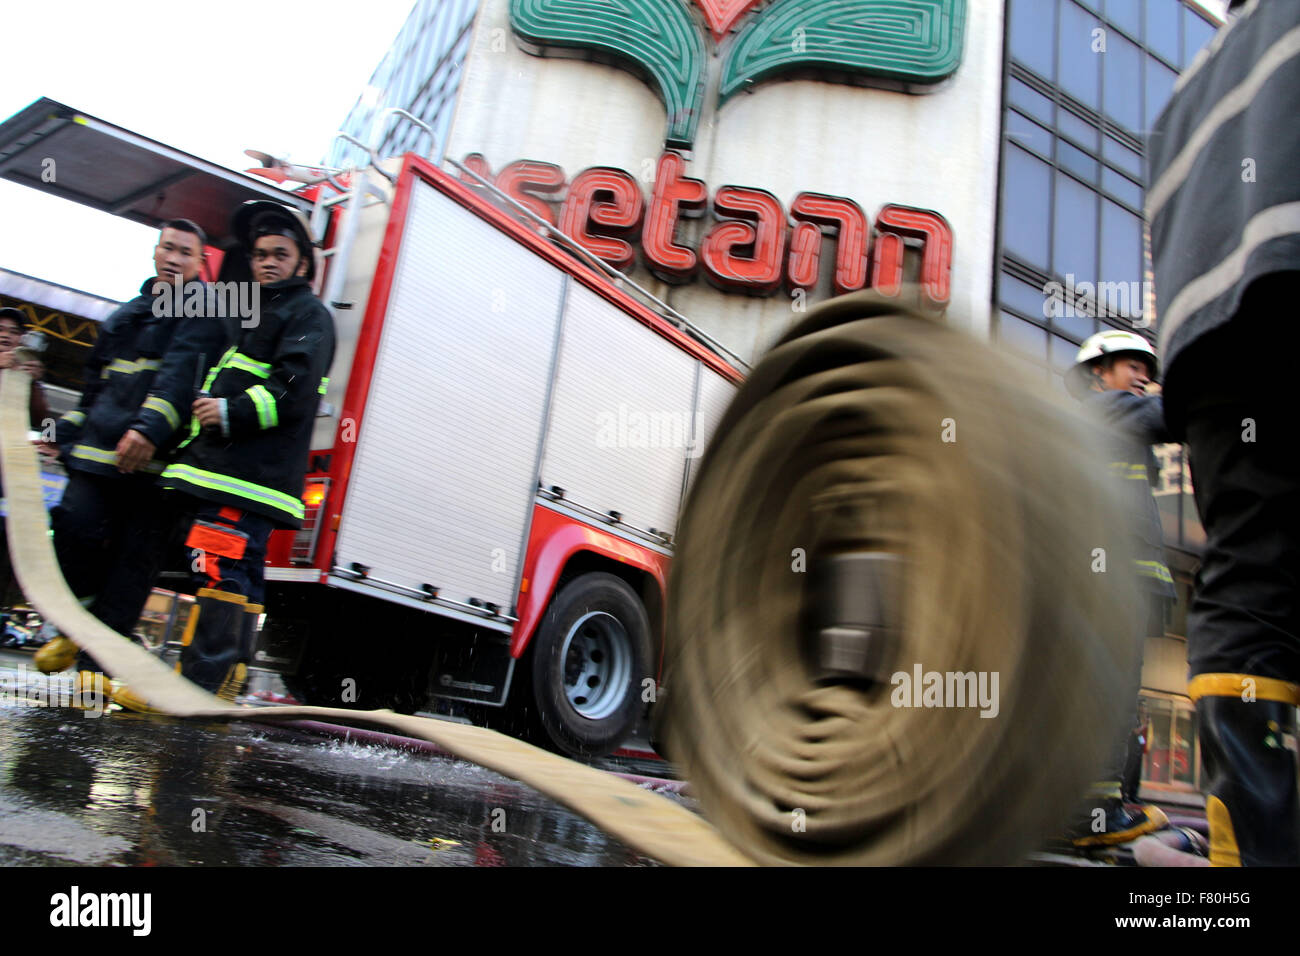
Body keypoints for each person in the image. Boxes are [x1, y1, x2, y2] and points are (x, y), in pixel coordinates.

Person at [1146, 0, 1300, 866]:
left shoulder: (1180, 94)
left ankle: (1254, 857)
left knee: (1248, 584)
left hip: (1211, 355)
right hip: (1288, 279)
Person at [114, 200, 334, 711]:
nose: (267, 263)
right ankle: (223, 680)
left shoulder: (306, 313)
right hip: (233, 474)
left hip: (245, 476)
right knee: (240, 577)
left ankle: (193, 688)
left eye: (280, 254)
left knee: (216, 565)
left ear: (302, 264)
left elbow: (295, 390)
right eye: (259, 255)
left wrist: (229, 413)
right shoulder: (263, 311)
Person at [34, 220, 224, 698]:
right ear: (155, 253)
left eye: (186, 252)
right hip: (96, 457)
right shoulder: (126, 315)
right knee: (74, 527)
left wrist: (148, 430)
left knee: (133, 563)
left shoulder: (203, 312)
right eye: (168, 248)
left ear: (200, 263)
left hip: (158, 469)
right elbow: (91, 389)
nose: (174, 258)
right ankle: (75, 626)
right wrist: (62, 434)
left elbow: (181, 378)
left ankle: (97, 665)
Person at [1063, 329, 1174, 847]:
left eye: (1146, 369)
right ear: (1096, 376)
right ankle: (1094, 814)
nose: (1142, 378)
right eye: (1131, 366)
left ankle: (1095, 810)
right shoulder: (1102, 411)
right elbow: (1167, 415)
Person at [0, 307, 53, 608]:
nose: (5, 336)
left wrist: (33, 383)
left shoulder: (25, 375)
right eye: (0, 329)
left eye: (12, 331)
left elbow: (46, 422)